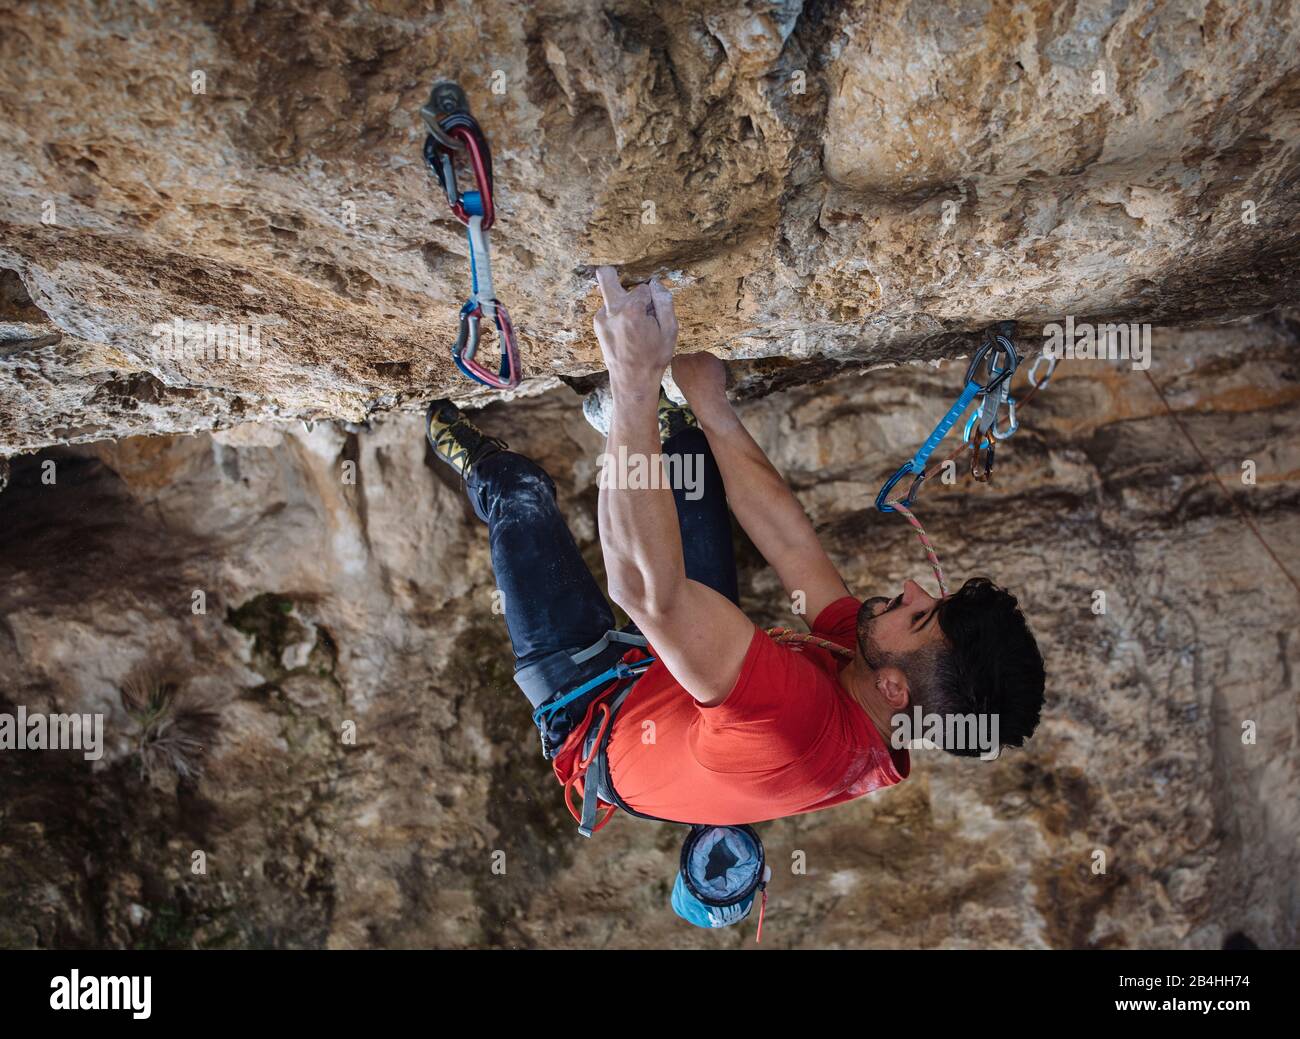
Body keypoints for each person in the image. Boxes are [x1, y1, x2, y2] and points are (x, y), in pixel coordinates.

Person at [425, 267, 1045, 826]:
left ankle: (451, 432)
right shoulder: (877, 681)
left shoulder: (798, 725)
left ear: (894, 692)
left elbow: (645, 592)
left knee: (521, 490)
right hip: (695, 677)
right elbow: (793, 550)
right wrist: (712, 403)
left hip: (592, 703)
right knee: (692, 451)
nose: (910, 588)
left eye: (921, 613)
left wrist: (635, 377)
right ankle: (652, 426)